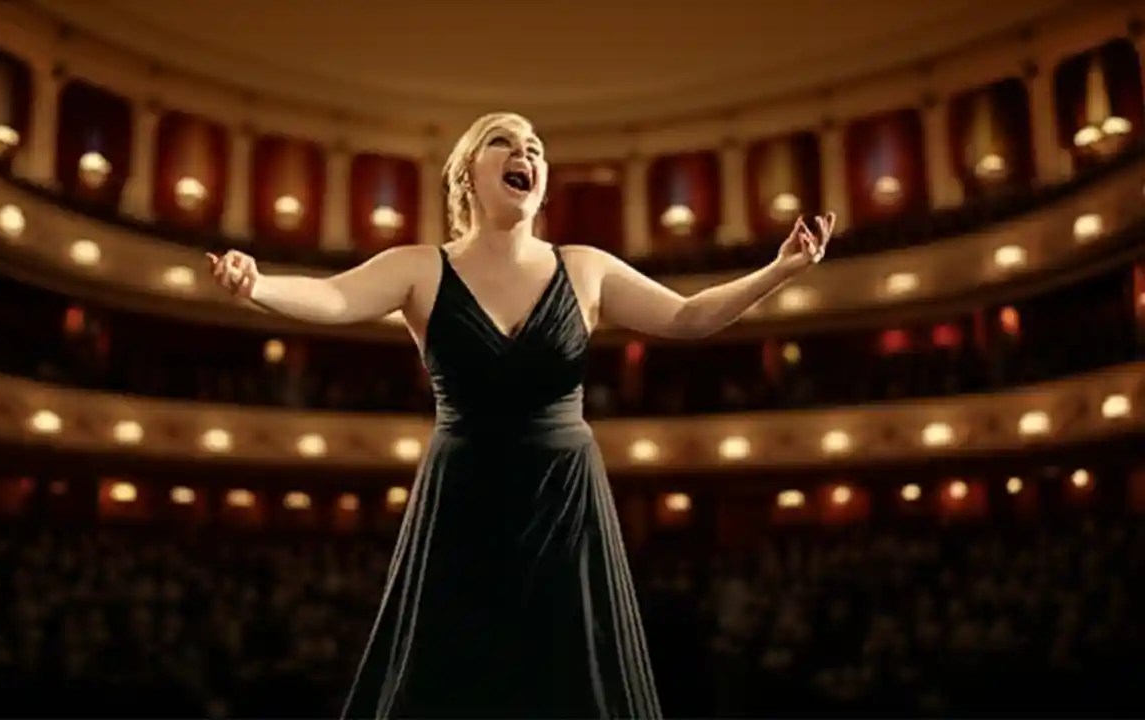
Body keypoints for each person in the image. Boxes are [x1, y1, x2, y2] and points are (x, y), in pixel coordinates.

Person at [207, 111, 833, 718]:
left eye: (534, 147)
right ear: (466, 176)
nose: (525, 153)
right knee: (456, 675)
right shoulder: (421, 268)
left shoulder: (585, 266)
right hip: (462, 497)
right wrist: (258, 286)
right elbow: (334, 295)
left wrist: (780, 271)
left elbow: (687, 317)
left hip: (565, 498)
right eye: (503, 142)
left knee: (566, 677)